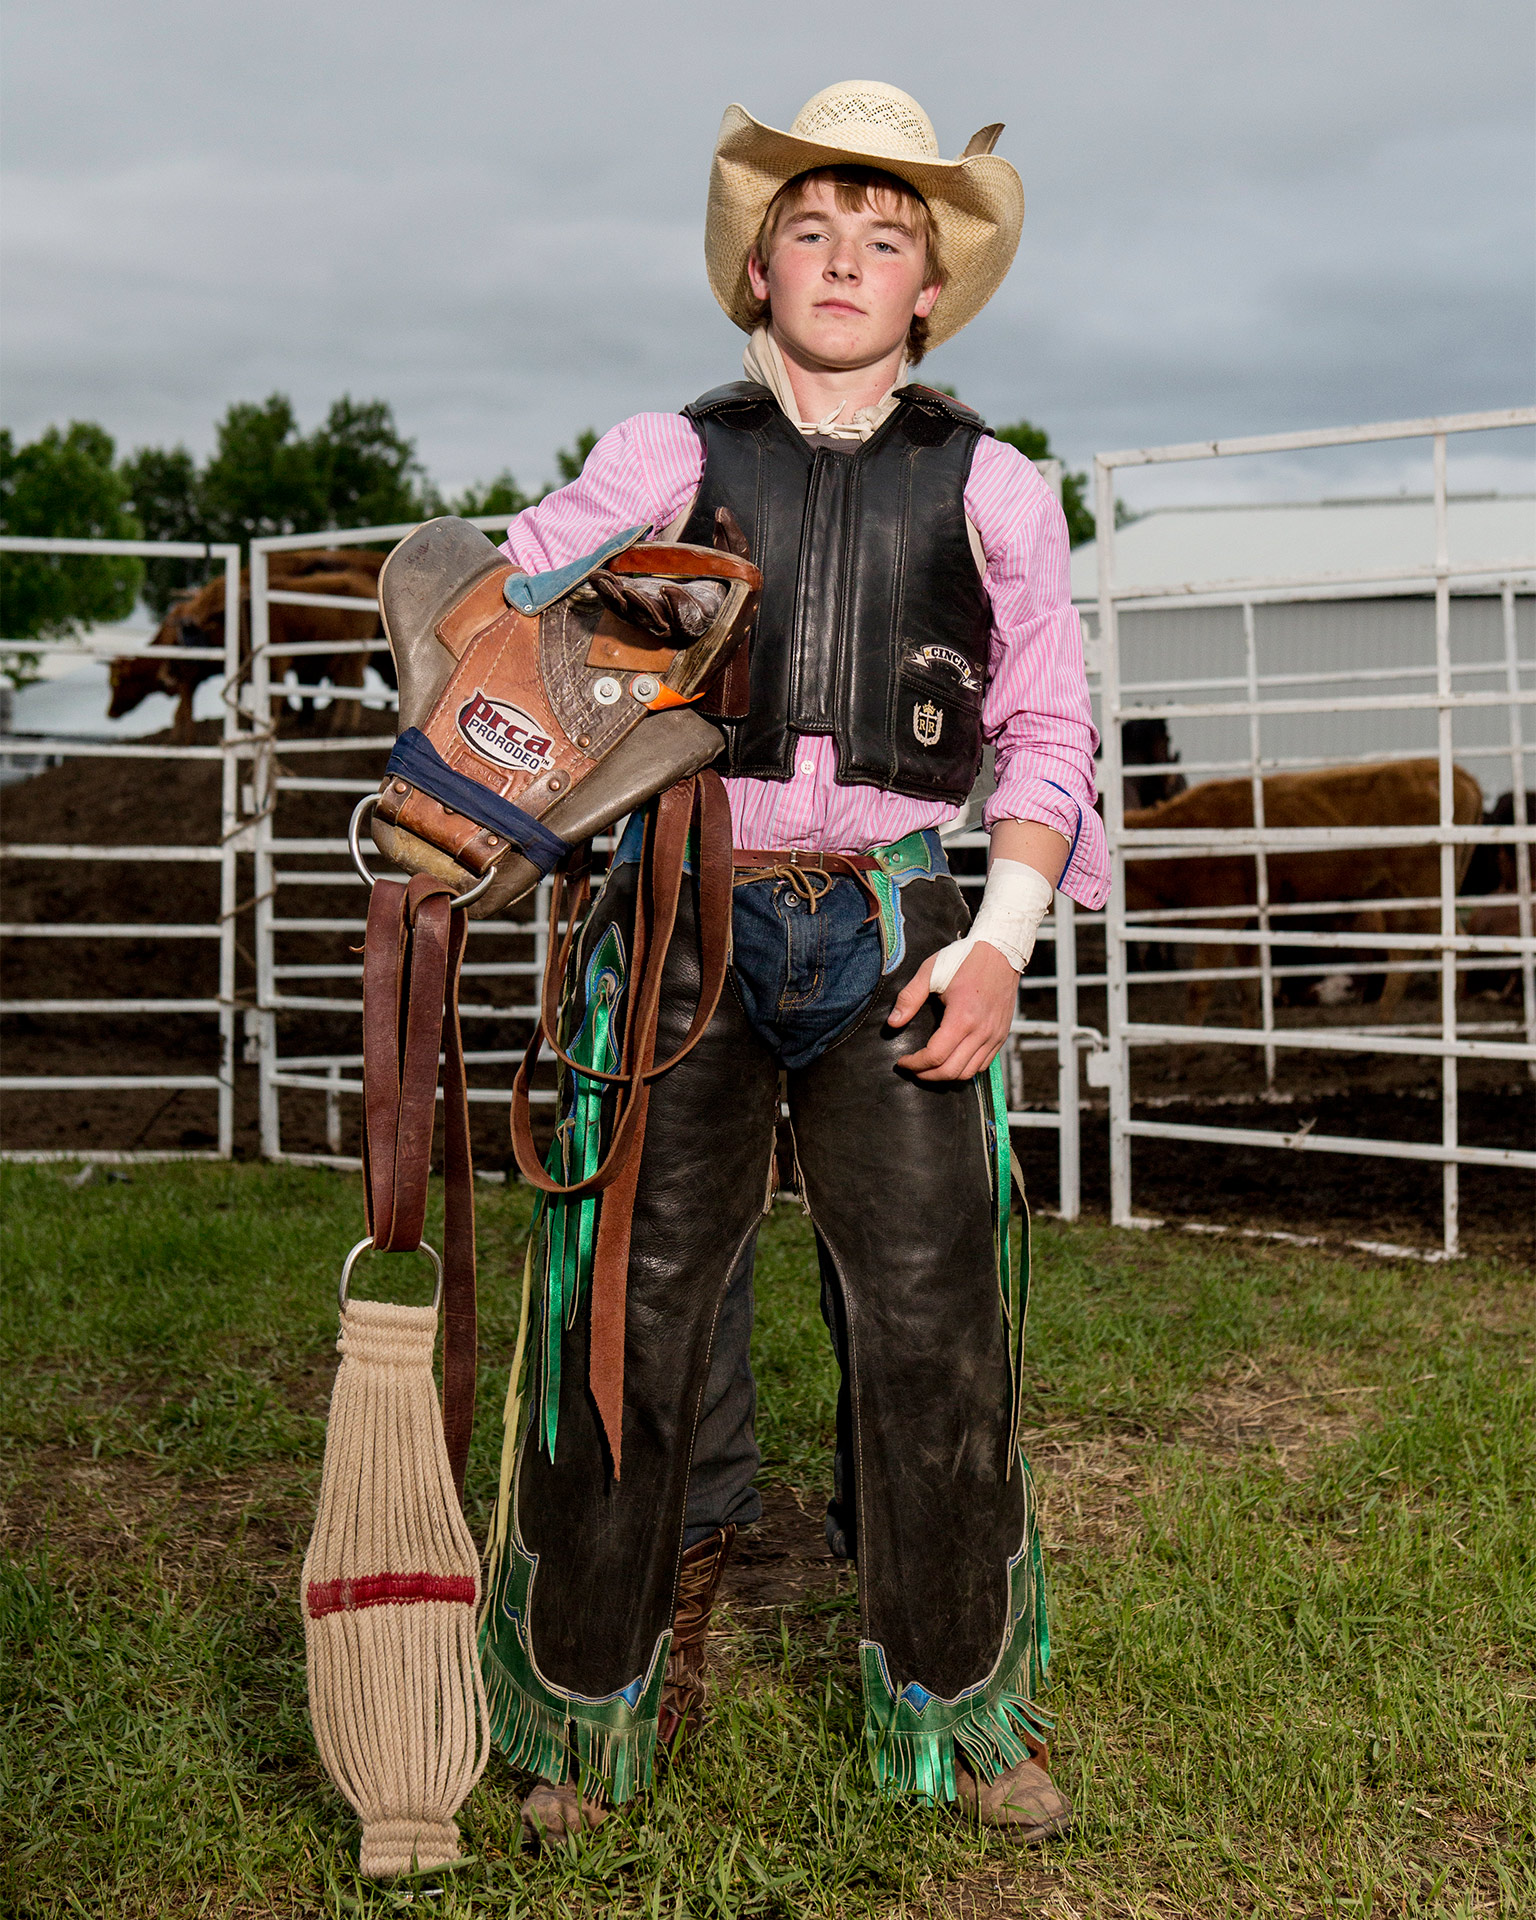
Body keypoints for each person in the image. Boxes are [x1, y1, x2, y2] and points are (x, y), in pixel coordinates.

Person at [479, 80, 1109, 1845]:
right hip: (685, 901)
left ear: (931, 291)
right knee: (630, 1303)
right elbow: (523, 608)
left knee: (931, 1320)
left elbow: (1049, 733)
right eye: (813, 229)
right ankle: (590, 1698)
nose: (846, 257)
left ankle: (955, 1698)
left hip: (906, 917)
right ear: (756, 272)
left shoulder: (993, 486)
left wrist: (999, 943)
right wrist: (483, 620)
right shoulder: (667, 454)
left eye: (886, 234)